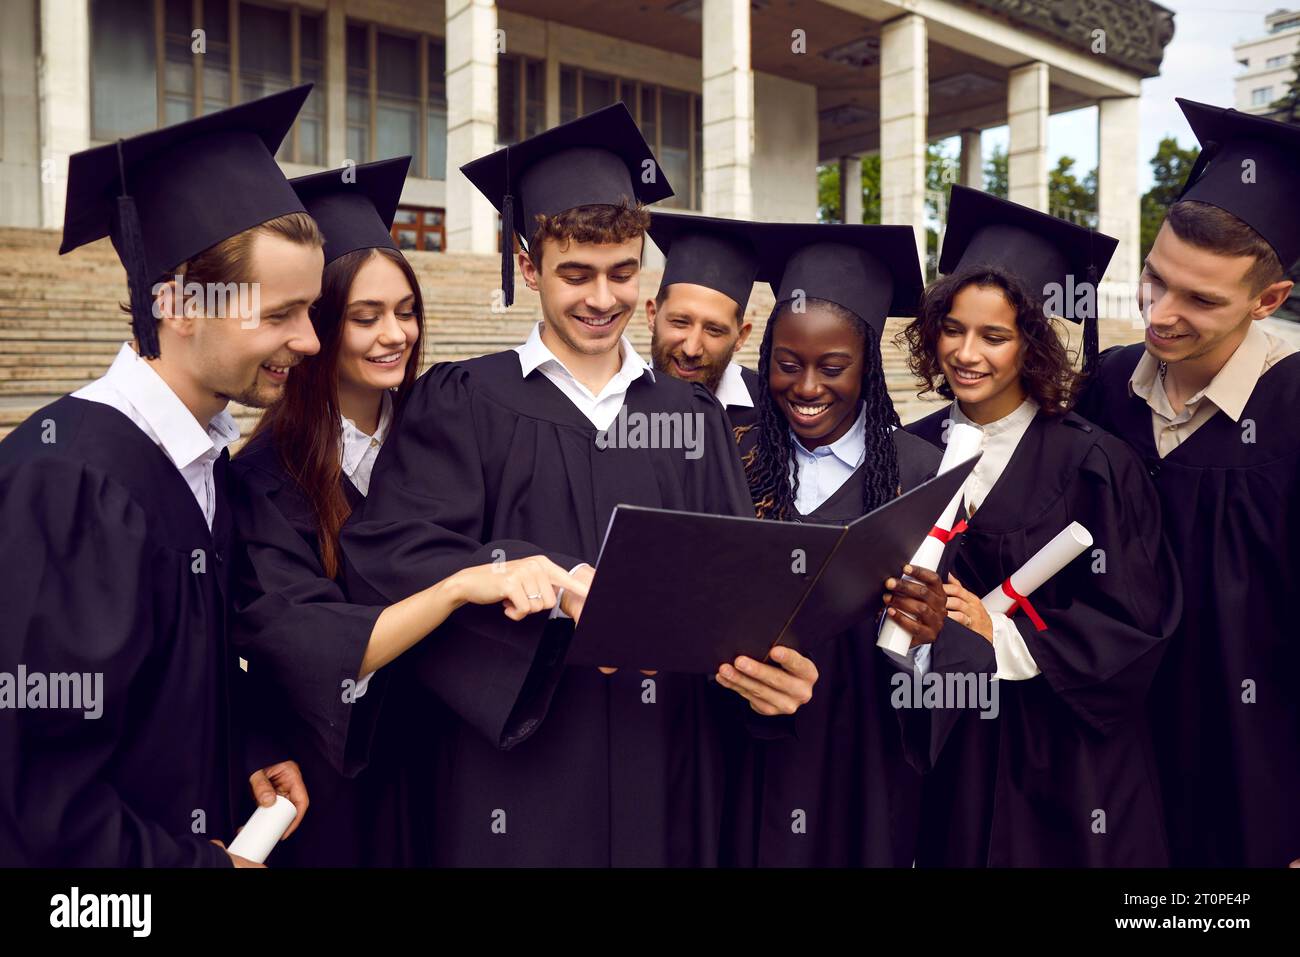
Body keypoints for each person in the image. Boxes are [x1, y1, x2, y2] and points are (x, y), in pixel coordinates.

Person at [341, 103, 817, 866]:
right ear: (527, 266)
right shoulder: (463, 401)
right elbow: (388, 556)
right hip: (511, 778)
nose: (602, 298)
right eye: (576, 274)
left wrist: (770, 677)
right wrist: (522, 571)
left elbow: (737, 590)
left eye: (623, 272)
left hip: (665, 763)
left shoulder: (689, 416)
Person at [229, 157, 589, 866]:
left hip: (458, 752)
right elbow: (309, 644)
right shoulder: (263, 479)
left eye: (406, 310)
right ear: (317, 325)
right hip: (338, 775)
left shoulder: (453, 423)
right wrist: (460, 582)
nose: (395, 334)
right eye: (365, 317)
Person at [0, 87, 322, 866]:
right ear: (179, 302)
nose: (308, 340)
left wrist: (245, 739)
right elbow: (37, 799)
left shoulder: (201, 460)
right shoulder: (71, 482)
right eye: (279, 314)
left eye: (309, 309)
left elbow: (160, 686)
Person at [901, 185, 1180, 866]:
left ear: (1032, 343)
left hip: (1062, 760)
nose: (967, 353)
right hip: (949, 747)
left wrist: (997, 633)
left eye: (994, 336)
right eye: (953, 328)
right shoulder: (907, 448)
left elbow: (1138, 622)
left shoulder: (1091, 461)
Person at [1075, 99, 1300, 868]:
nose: (1161, 314)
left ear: (1268, 300)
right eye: (1154, 278)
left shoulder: (1295, 412)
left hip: (1252, 774)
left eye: (1201, 300)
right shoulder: (1106, 386)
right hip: (1114, 754)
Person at [727, 223, 987, 867]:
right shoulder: (728, 456)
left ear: (868, 367)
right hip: (736, 755)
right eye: (787, 365)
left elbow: (959, 664)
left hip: (863, 768)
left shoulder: (924, 474)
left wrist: (930, 639)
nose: (808, 387)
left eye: (833, 367)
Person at [645, 212, 762, 431]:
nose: (691, 349)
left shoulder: (769, 414)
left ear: (741, 336)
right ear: (652, 315)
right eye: (680, 322)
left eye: (714, 330)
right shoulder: (612, 405)